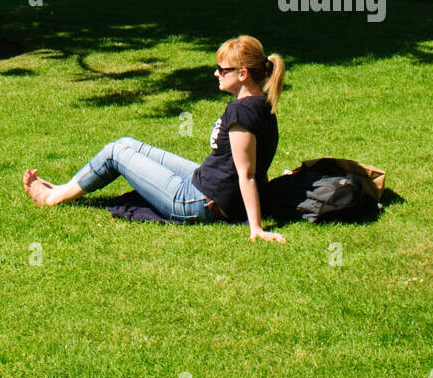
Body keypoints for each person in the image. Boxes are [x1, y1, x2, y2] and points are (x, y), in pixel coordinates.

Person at [24, 35, 287, 243]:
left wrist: (256, 228)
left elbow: (249, 173)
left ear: (242, 75)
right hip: (207, 186)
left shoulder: (241, 112)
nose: (216, 73)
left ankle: (53, 198)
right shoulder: (262, 105)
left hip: (199, 202)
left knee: (116, 152)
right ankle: (62, 188)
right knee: (126, 144)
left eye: (222, 69)